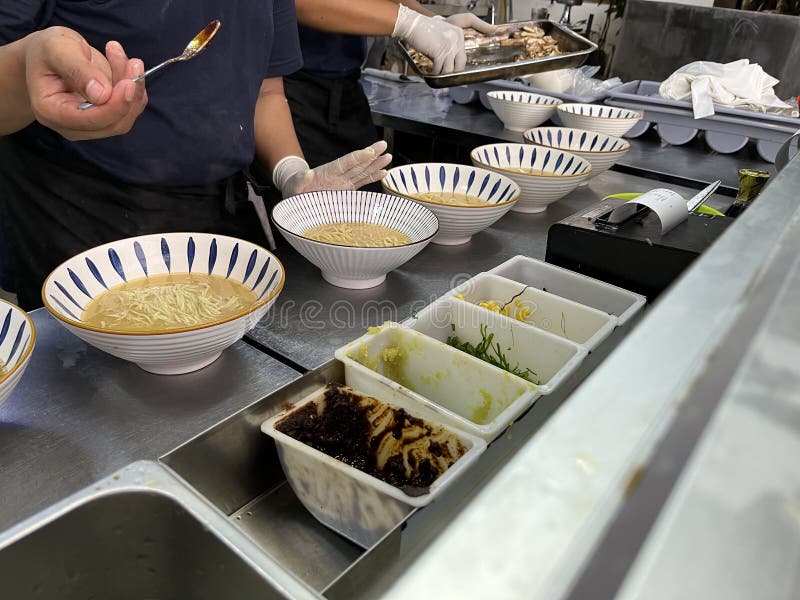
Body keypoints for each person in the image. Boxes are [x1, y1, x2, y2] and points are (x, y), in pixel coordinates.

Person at [0, 5, 390, 309]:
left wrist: (292, 172)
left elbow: (266, 91)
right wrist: (26, 63)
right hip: (84, 213)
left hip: (217, 211)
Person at [286, 1, 498, 169]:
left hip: (347, 89)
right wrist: (409, 24)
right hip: (292, 93)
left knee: (370, 207)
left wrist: (434, 22)